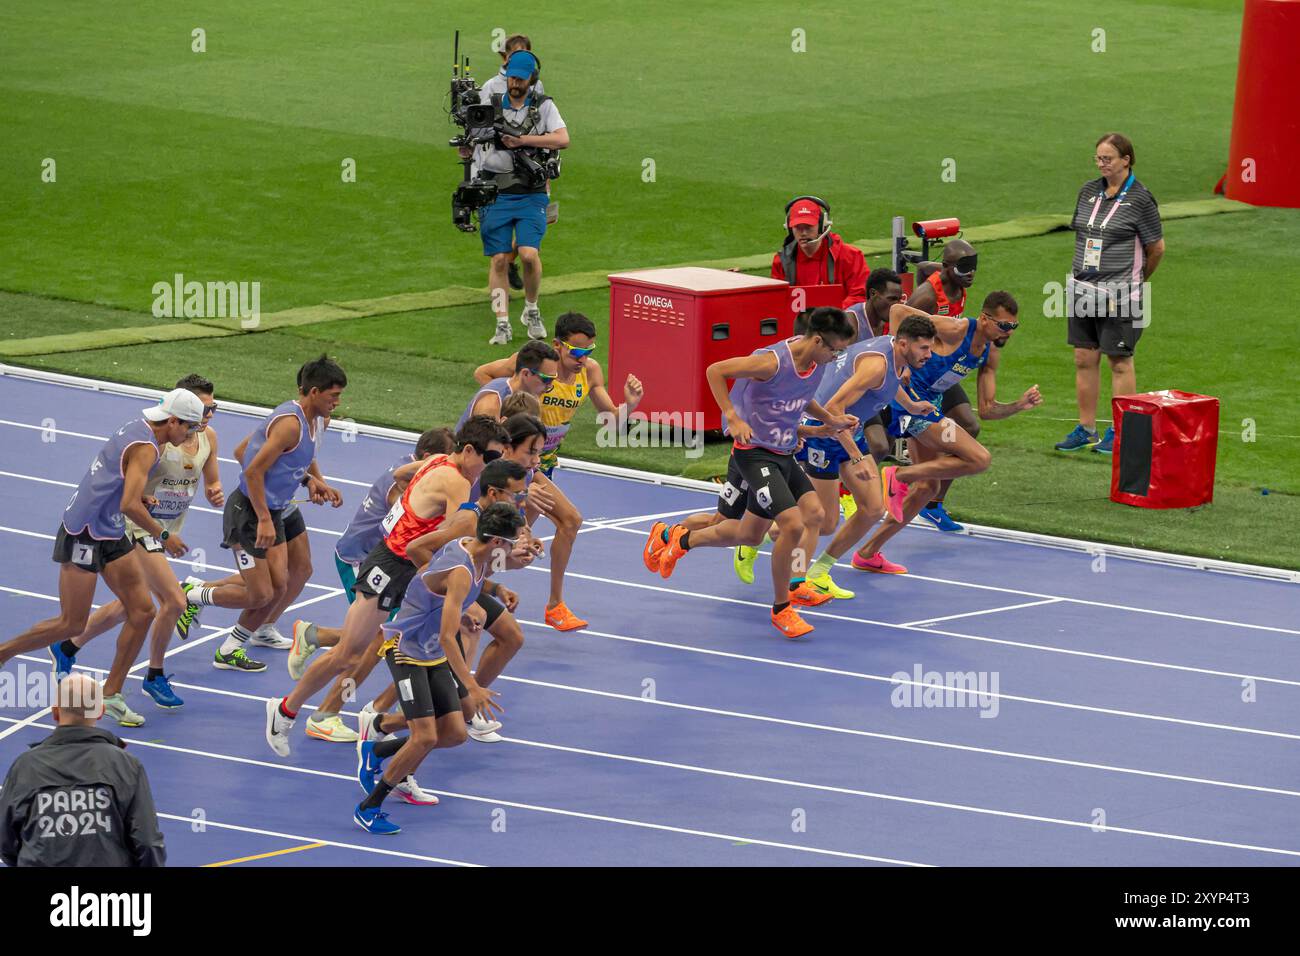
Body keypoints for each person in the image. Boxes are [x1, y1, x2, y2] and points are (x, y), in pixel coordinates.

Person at [264, 416, 509, 757]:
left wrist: (413, 507)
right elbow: (459, 540)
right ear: (469, 450)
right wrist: (468, 598)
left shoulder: (439, 460)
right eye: (490, 458)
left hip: (402, 568)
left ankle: (382, 725)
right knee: (348, 653)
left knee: (386, 648)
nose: (490, 467)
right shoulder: (458, 483)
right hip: (391, 567)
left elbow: (400, 476)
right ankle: (287, 709)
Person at [644, 307, 858, 639]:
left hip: (784, 453)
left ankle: (679, 538)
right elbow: (716, 370)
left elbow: (802, 398)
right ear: (818, 340)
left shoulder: (815, 363)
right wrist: (731, 415)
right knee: (792, 523)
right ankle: (782, 606)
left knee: (756, 532)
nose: (836, 357)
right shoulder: (771, 362)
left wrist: (828, 422)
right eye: (835, 349)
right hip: (754, 453)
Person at [0, 388, 205, 725]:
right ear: (172, 420)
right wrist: (163, 535)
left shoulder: (142, 430)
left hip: (109, 528)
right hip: (84, 530)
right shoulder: (146, 448)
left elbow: (120, 485)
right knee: (72, 623)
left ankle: (111, 695)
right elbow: (128, 504)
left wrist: (144, 499)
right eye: (189, 428)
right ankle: (4, 652)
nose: (190, 435)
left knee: (142, 611)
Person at [353, 503, 530, 835]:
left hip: (429, 651)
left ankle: (374, 748)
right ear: (495, 543)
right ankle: (368, 807)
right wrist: (473, 686)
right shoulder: (462, 573)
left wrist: (444, 604)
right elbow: (450, 638)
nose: (513, 549)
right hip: (406, 649)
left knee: (454, 734)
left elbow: (431, 579)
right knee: (425, 737)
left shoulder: (472, 555)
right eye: (511, 543)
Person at [54, 375, 224, 721]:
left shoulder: (205, 438)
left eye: (212, 408)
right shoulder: (159, 443)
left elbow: (211, 476)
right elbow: (128, 492)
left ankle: (69, 643)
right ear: (178, 411)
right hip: (138, 528)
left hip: (165, 527)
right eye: (203, 409)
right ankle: (154, 675)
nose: (208, 415)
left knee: (131, 606)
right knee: (174, 600)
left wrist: (215, 489)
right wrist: (161, 533)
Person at [290, 428, 455, 744]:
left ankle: (315, 636)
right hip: (362, 559)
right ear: (426, 458)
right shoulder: (407, 481)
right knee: (370, 641)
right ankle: (324, 713)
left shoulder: (417, 469)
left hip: (390, 565)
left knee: (388, 632)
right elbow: (404, 521)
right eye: (442, 460)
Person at [856, 291, 1042, 572]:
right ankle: (898, 475)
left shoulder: (989, 354)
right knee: (979, 459)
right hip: (907, 401)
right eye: (1004, 325)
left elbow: (988, 410)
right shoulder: (955, 329)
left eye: (1013, 326)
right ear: (984, 319)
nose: (1008, 332)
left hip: (928, 407)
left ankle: (868, 553)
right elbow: (896, 311)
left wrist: (1019, 405)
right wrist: (898, 359)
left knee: (928, 486)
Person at [183, 356, 346, 674]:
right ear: (313, 392)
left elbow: (270, 452)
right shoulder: (289, 424)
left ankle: (250, 635)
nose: (337, 403)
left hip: (278, 507)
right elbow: (252, 466)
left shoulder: (318, 421)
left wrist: (313, 481)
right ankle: (195, 597)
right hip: (251, 512)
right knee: (264, 591)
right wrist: (266, 515)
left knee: (294, 575)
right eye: (333, 396)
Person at [787, 311, 938, 598]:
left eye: (930, 347)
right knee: (824, 522)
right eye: (924, 348)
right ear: (904, 344)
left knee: (872, 509)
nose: (929, 354)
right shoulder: (875, 366)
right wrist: (856, 457)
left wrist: (913, 405)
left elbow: (888, 387)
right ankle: (763, 534)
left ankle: (818, 573)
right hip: (823, 433)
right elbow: (833, 409)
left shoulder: (896, 354)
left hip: (848, 431)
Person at [1056, 132, 1165, 455]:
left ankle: (1121, 430)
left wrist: (1137, 279)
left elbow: (1156, 248)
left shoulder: (1141, 199)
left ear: (1126, 160)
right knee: (1084, 357)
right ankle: (1086, 428)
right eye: (1098, 158)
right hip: (1083, 288)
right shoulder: (1089, 191)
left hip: (1121, 293)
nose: (1101, 164)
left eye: (1108, 159)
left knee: (1119, 361)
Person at [1, 674, 166, 867]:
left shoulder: (25, 766)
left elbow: (6, 841)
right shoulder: (126, 765)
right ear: (101, 711)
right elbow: (147, 842)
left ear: (55, 712)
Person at [466, 49, 570, 346]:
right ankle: (502, 322)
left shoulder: (544, 106)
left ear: (531, 80)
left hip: (531, 193)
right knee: (499, 259)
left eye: (520, 80)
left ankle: (531, 309)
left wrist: (523, 140)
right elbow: (472, 136)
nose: (515, 84)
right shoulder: (491, 104)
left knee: (528, 254)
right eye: (512, 77)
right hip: (495, 191)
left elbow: (563, 139)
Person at [472, 311, 645, 478]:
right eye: (577, 352)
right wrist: (509, 406)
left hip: (544, 461)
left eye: (588, 352)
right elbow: (482, 373)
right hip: (514, 456)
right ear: (557, 345)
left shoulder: (590, 371)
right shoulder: (533, 363)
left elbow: (611, 422)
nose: (582, 360)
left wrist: (629, 405)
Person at [903, 239, 982, 532]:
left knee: (969, 426)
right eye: (964, 268)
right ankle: (891, 485)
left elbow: (926, 267)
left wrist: (925, 267)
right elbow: (900, 331)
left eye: (974, 267)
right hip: (915, 376)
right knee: (889, 438)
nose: (971, 274)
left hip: (940, 371)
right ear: (949, 268)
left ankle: (933, 505)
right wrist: (902, 372)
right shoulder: (925, 299)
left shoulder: (957, 283)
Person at [481, 33, 546, 294]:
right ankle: (501, 316)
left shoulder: (538, 89)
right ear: (504, 57)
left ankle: (510, 262)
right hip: (496, 170)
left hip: (530, 171)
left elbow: (547, 130)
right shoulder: (490, 87)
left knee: (530, 239)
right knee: (497, 249)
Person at [771, 196, 868, 309]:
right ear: (789, 228)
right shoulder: (781, 262)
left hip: (839, 323)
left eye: (808, 226)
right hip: (797, 324)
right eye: (797, 227)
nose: (803, 233)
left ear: (822, 225)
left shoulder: (851, 257)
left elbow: (860, 296)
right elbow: (776, 301)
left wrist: (832, 316)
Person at [458, 339, 559, 427]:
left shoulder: (529, 398)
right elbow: (483, 448)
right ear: (526, 374)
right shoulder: (491, 406)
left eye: (553, 379)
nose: (550, 385)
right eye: (547, 379)